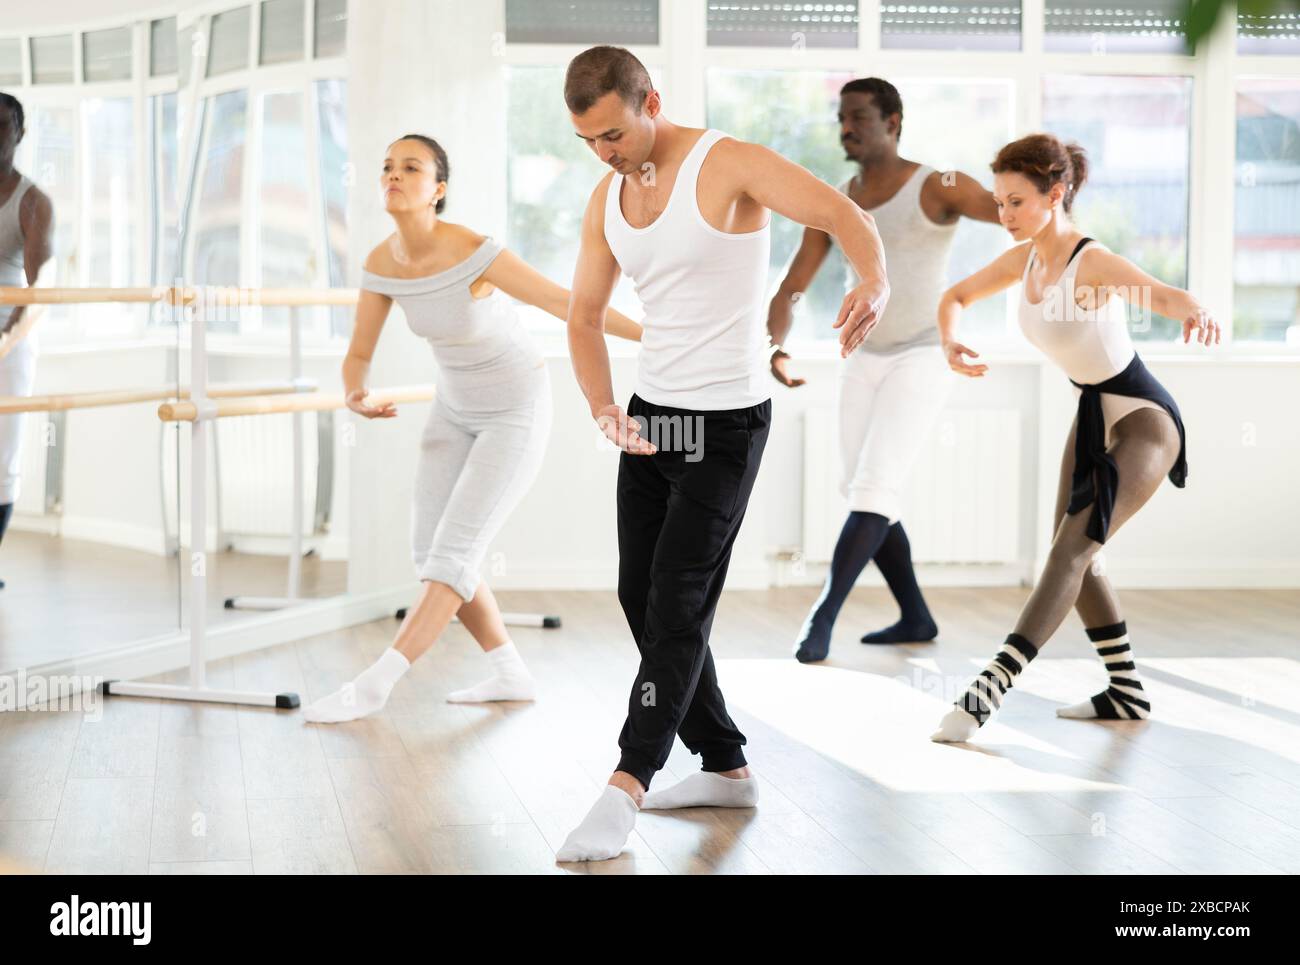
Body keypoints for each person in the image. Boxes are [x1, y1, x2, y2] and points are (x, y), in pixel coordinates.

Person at [556, 46, 889, 862]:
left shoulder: (727, 162)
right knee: (641, 595)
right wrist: (603, 405)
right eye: (587, 141)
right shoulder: (607, 195)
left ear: (651, 102)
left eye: (611, 133)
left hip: (726, 425)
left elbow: (846, 217)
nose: (603, 152)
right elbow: (583, 316)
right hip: (652, 420)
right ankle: (727, 765)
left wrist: (872, 279)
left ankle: (626, 781)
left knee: (677, 600)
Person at [301, 133, 641, 723]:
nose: (393, 175)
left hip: (515, 407)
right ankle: (511, 672)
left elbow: (569, 303)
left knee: (453, 556)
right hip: (453, 408)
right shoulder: (382, 263)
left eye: (411, 167)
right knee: (431, 552)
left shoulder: (474, 250)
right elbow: (358, 353)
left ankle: (376, 684)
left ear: (438, 190)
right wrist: (354, 391)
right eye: (386, 167)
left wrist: (654, 336)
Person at [929, 133, 1218, 743]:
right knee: (1077, 556)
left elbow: (1161, 293)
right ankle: (1126, 692)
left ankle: (986, 692)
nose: (1002, 215)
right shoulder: (1026, 260)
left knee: (1070, 552)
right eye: (999, 202)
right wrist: (951, 341)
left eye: (1015, 202)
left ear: (1054, 194)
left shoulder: (1093, 262)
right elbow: (955, 296)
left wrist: (1194, 309)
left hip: (1143, 419)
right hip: (1091, 417)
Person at [767, 77, 1001, 663]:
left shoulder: (937, 186)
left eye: (859, 118)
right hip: (861, 356)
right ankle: (916, 615)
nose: (846, 128)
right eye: (841, 118)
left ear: (894, 122)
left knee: (872, 487)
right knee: (866, 490)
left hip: (923, 352)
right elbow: (793, 286)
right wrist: (773, 346)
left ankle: (823, 615)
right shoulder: (836, 200)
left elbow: (1016, 218)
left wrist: (1064, 247)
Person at [0, 92, 54, 592]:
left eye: (2, 126)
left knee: (2, 457)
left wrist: (6, 341)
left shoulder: (33, 202)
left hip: (7, 343)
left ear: (19, 134)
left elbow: (39, 293)